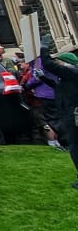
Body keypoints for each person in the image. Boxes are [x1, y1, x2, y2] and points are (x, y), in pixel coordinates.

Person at [37, 44, 78, 189]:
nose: (57, 63)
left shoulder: (72, 71)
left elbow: (49, 65)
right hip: (70, 115)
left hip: (73, 116)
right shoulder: (69, 77)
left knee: (75, 146)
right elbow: (58, 87)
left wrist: (42, 48)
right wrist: (43, 78)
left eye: (59, 61)